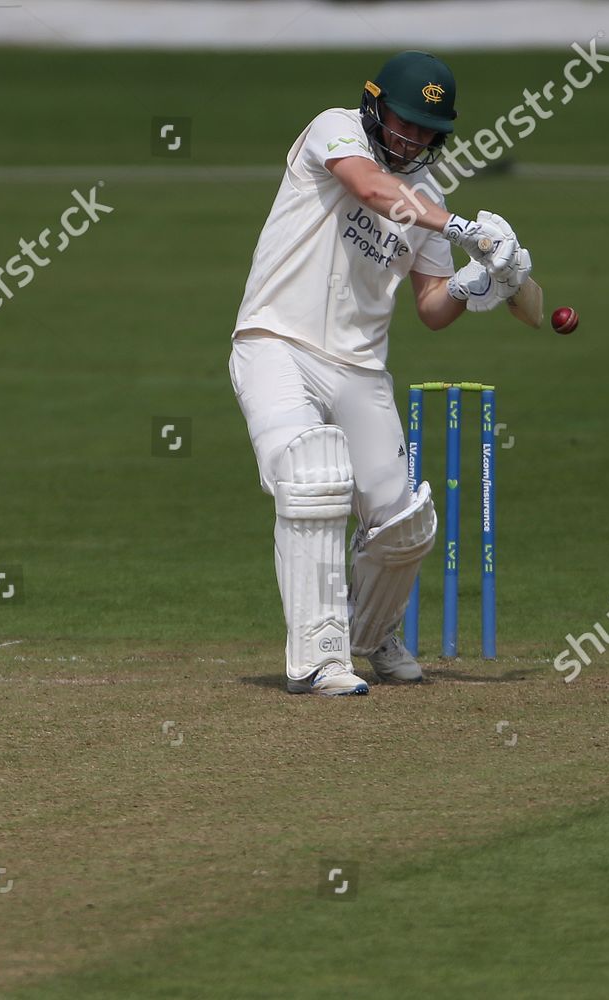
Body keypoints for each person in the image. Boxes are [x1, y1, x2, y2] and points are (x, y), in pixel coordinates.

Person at [229, 51, 532, 695]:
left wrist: (482, 282)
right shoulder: (332, 129)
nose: (415, 138)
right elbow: (369, 188)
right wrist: (466, 228)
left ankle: (370, 636)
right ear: (374, 107)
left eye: (429, 129)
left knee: (404, 524)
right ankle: (316, 657)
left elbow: (431, 307)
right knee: (313, 475)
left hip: (359, 369)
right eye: (406, 122)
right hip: (276, 342)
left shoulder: (427, 198)